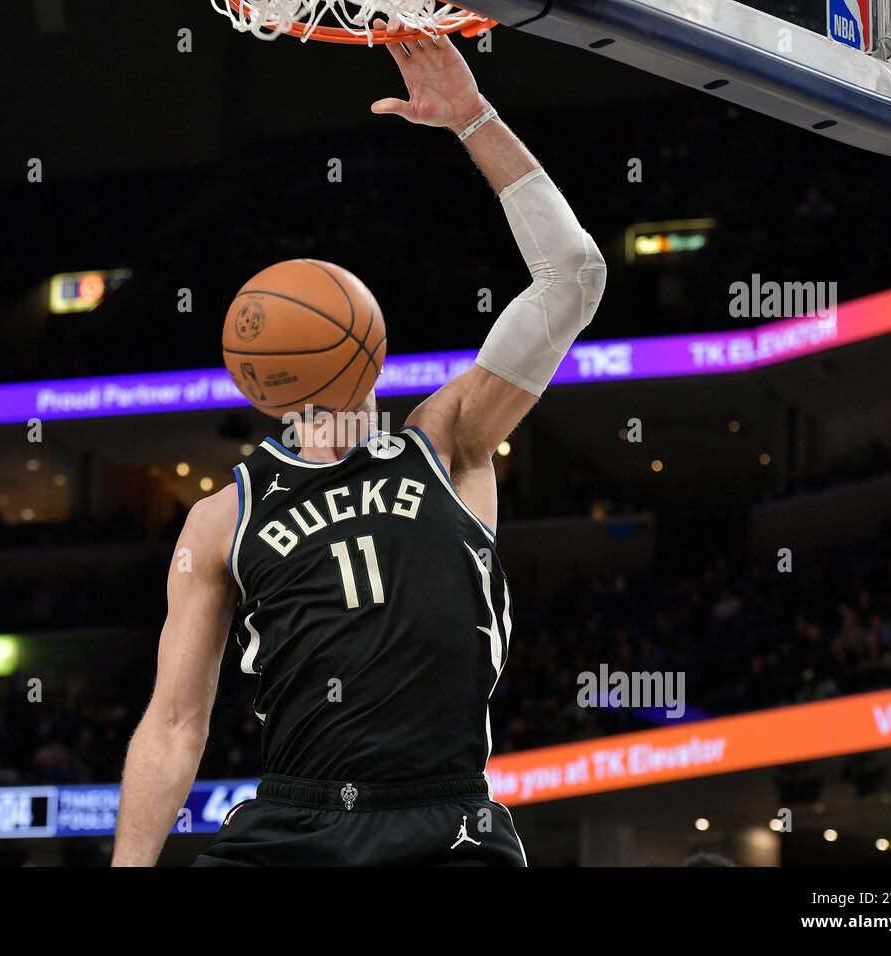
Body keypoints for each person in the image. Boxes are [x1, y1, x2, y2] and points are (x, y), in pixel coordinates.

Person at [112, 21, 606, 866]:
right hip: (293, 825)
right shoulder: (220, 519)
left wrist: (471, 118)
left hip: (444, 821)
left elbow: (574, 275)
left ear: (372, 340)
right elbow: (174, 721)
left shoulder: (450, 440)